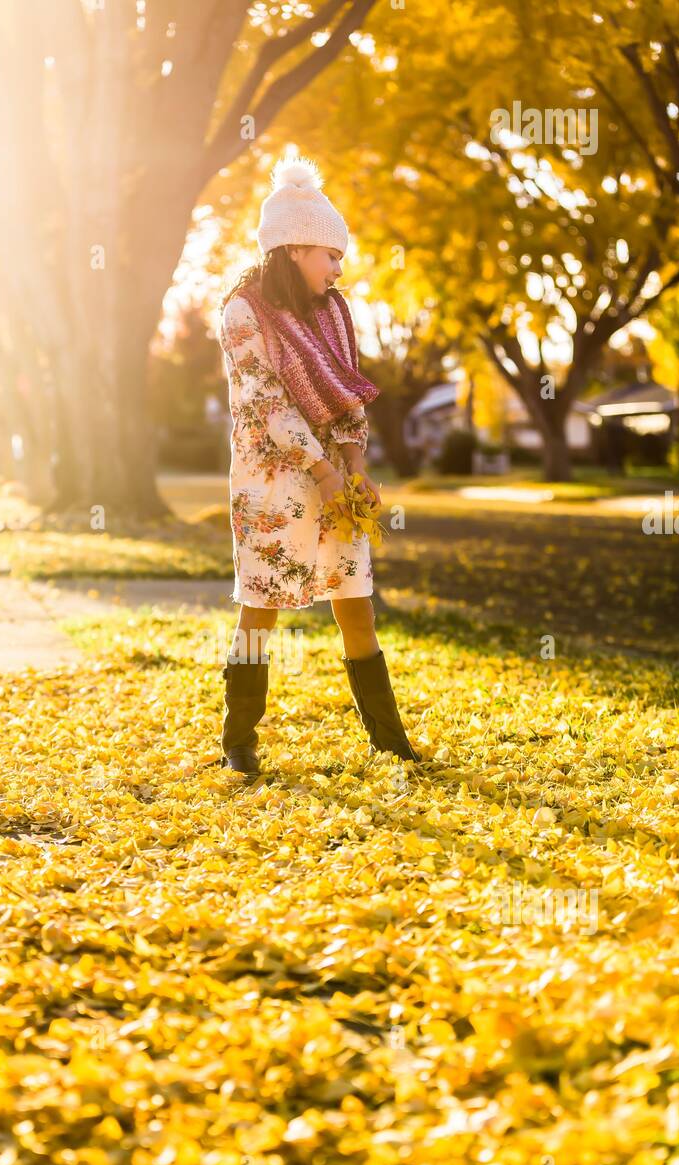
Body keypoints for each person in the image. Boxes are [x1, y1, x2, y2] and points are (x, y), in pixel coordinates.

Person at [216, 153, 420, 776]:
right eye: (331, 255)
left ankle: (390, 742)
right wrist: (323, 471)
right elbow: (264, 403)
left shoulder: (333, 312)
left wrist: (354, 464)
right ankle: (240, 741)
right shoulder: (242, 312)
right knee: (261, 606)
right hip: (273, 479)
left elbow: (349, 393)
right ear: (296, 247)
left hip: (335, 479)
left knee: (355, 601)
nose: (338, 268)